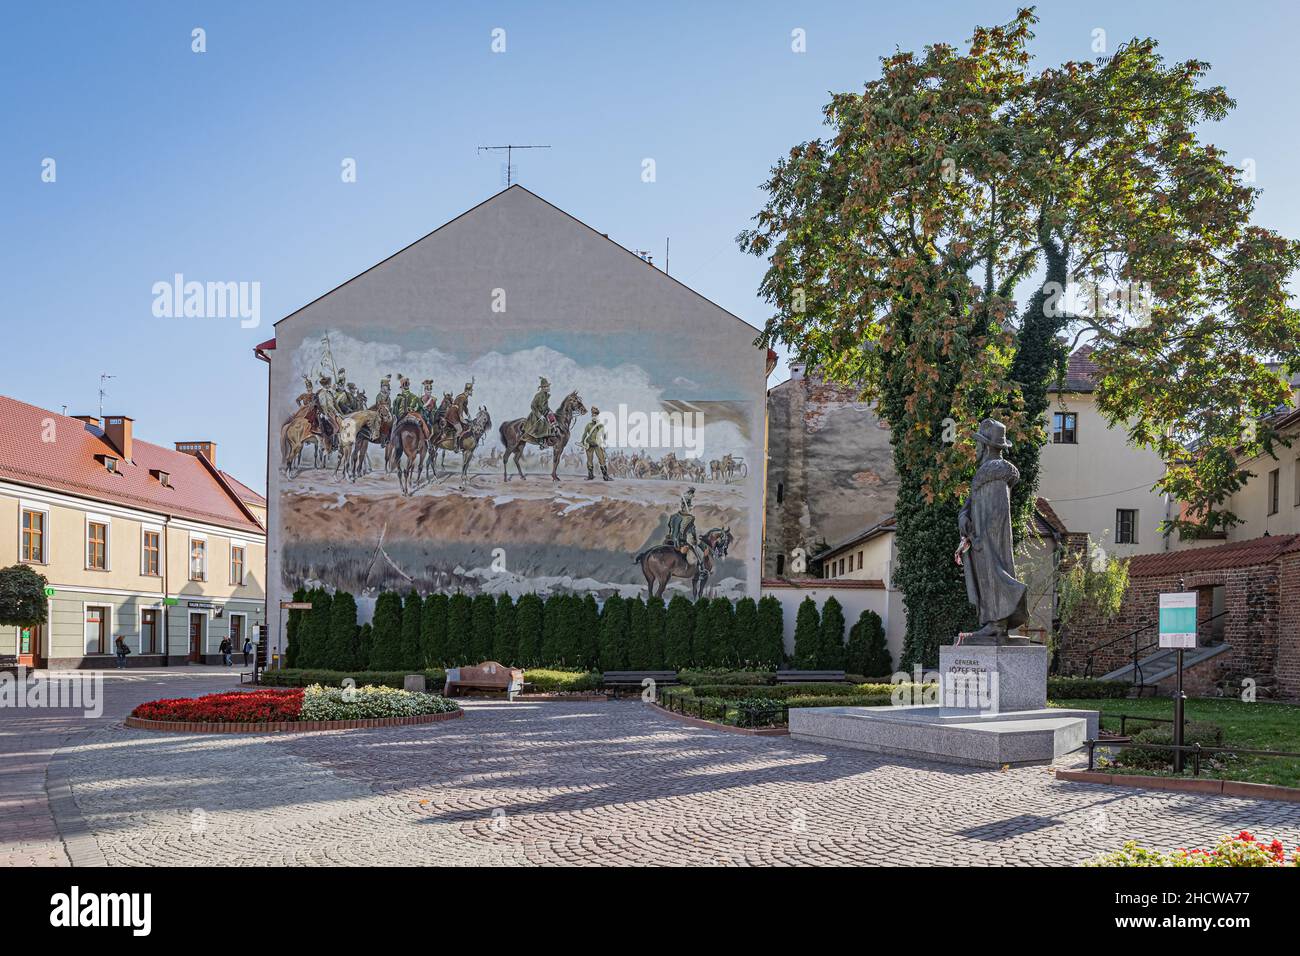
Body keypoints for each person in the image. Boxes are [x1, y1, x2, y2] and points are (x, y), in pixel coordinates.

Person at [955, 418, 1030, 644]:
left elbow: (995, 516)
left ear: (986, 446)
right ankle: (994, 623)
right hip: (979, 539)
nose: (976, 448)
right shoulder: (985, 475)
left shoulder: (994, 477)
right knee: (987, 571)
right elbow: (971, 504)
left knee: (992, 569)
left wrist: (979, 538)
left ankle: (998, 623)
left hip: (986, 541)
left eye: (978, 443)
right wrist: (964, 516)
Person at [581, 406, 611, 481]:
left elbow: (604, 436)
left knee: (602, 459)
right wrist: (582, 442)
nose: (594, 416)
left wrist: (604, 442)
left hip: (598, 444)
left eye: (595, 415)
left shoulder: (600, 425)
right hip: (589, 444)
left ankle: (605, 476)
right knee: (589, 460)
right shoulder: (588, 425)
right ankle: (590, 476)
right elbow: (585, 434)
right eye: (593, 415)